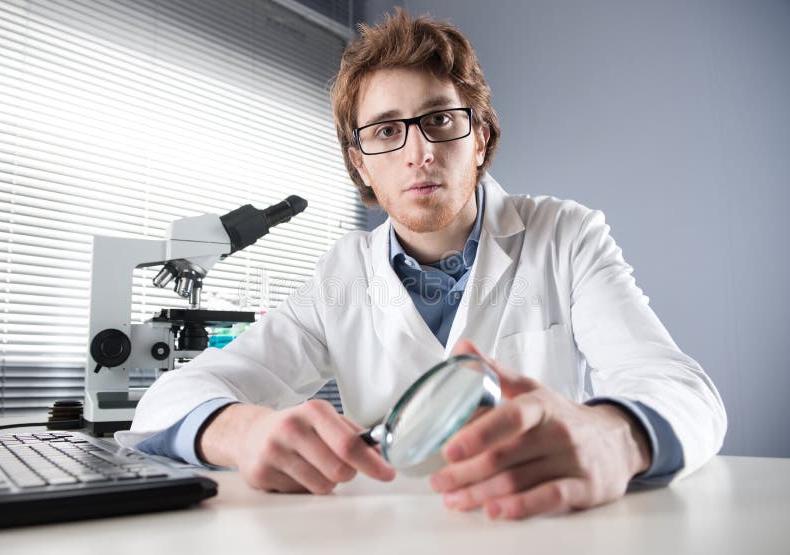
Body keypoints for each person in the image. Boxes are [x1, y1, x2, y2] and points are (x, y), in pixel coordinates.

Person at [117, 9, 726, 520]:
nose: (419, 153)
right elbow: (172, 398)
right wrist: (244, 431)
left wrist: (617, 436)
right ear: (359, 163)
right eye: (385, 131)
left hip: (539, 525)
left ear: (480, 136)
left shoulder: (564, 235)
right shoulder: (339, 276)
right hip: (388, 531)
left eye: (439, 120)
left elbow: (679, 389)